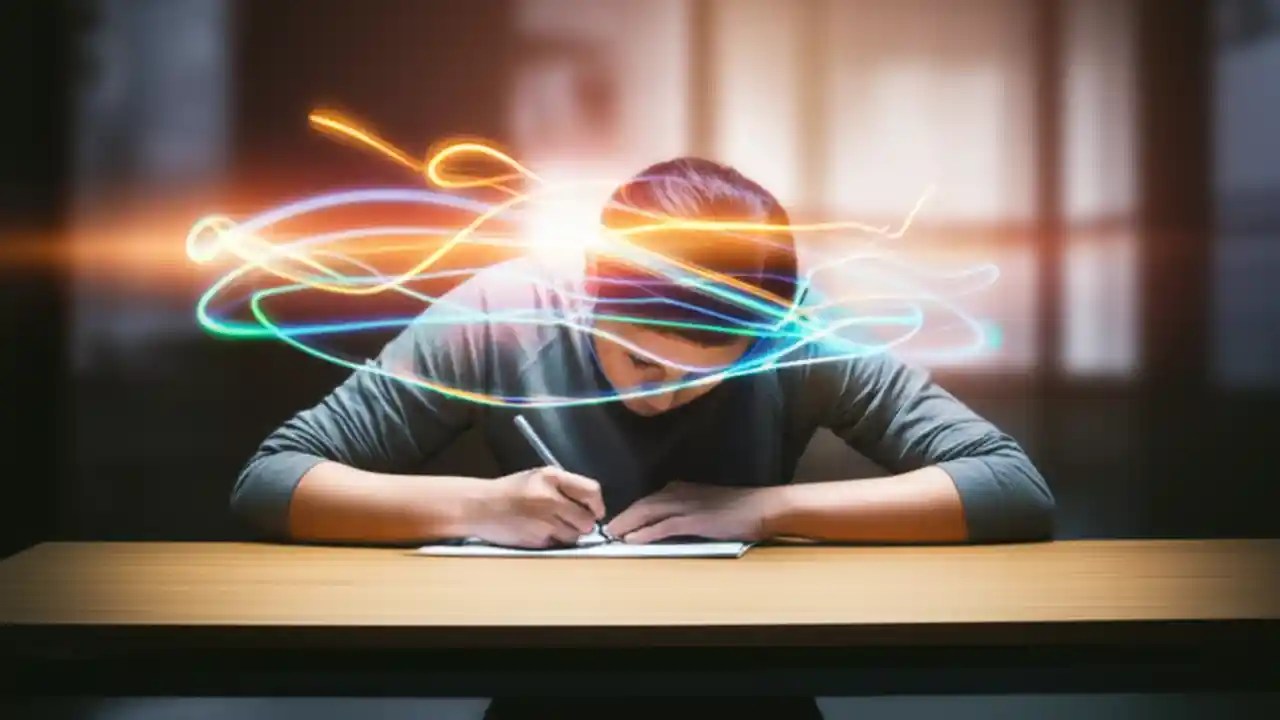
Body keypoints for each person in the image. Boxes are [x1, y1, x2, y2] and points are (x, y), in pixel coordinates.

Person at [232, 157, 1055, 719]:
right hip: (550, 685)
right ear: (594, 291)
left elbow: (1010, 487)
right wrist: (478, 504)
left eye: (708, 373)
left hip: (753, 685)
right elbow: (271, 483)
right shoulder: (500, 316)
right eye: (641, 360)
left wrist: (763, 509)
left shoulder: (797, 334)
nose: (670, 394)